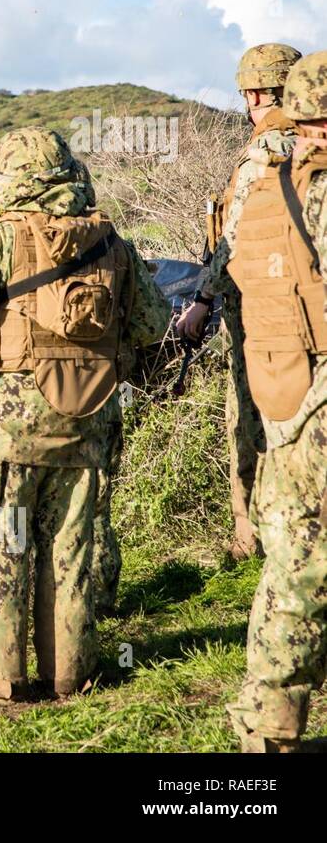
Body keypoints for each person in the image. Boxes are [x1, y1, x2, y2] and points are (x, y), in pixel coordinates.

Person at [0, 127, 170, 702]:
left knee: (1, 549)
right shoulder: (111, 243)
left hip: (6, 430)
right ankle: (70, 674)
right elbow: (152, 325)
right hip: (87, 426)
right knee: (72, 550)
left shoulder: (1, 238)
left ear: (10, 178)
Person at [224, 51, 327, 753]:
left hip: (283, 388)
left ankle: (267, 728)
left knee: (293, 551)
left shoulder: (263, 184)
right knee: (305, 562)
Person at [176, 43, 303, 559]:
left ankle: (254, 537)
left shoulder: (264, 151)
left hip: (258, 308)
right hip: (304, 307)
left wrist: (204, 300)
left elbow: (233, 240)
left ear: (255, 91)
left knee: (249, 417)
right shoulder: (312, 145)